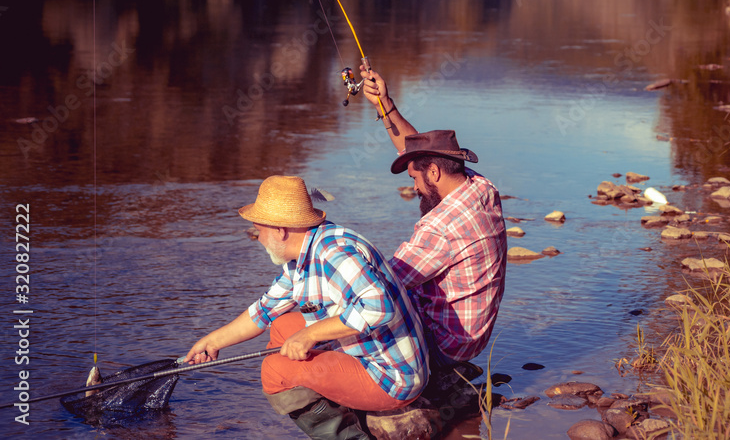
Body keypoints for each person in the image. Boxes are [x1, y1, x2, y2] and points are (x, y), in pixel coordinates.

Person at [184, 175, 428, 440]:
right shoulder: (304, 253)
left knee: (274, 371)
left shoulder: (333, 253)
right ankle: (334, 401)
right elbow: (263, 311)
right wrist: (213, 341)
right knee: (281, 326)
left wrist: (310, 334)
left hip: (391, 378)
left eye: (259, 230)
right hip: (366, 354)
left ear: (280, 230)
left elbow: (379, 308)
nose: (258, 238)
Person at [360, 68, 507, 368]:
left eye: (414, 178)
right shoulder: (481, 188)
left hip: (444, 345)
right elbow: (414, 149)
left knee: (363, 304)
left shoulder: (440, 228)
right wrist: (384, 104)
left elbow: (382, 285)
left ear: (435, 172)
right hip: (473, 338)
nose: (414, 187)